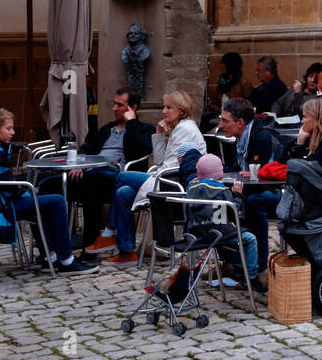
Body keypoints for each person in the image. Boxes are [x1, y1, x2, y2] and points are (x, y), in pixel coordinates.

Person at [0, 109, 93, 274]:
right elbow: (9, 188)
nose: (13, 132)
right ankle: (67, 260)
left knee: (40, 202)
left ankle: (50, 257)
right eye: (8, 128)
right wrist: (27, 193)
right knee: (56, 201)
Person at [86, 92, 205, 265]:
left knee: (122, 176)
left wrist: (150, 175)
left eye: (169, 107)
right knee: (123, 193)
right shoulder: (178, 128)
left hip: (174, 185)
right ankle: (127, 252)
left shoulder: (185, 129)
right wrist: (159, 135)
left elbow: (169, 167)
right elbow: (160, 161)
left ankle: (109, 232)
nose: (164, 111)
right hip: (166, 178)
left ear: (181, 110)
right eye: (164, 107)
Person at [66, 89, 154, 253]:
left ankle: (89, 248)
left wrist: (132, 123)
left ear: (132, 108)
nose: (114, 108)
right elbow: (88, 147)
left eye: (119, 105)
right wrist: (78, 163)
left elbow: (140, 152)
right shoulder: (107, 128)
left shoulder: (144, 129)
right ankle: (52, 252)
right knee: (50, 184)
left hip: (115, 175)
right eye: (114, 103)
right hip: (91, 172)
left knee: (92, 185)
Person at [219, 98, 291, 284]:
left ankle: (259, 267)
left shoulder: (262, 137)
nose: (221, 125)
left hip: (278, 191)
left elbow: (263, 176)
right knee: (222, 199)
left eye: (225, 121)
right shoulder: (240, 138)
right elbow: (239, 168)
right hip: (252, 188)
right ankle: (232, 261)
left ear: (240, 123)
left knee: (253, 201)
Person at [185, 154, 265, 294]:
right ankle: (251, 276)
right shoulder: (221, 190)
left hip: (196, 234)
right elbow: (234, 212)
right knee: (249, 238)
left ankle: (234, 267)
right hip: (219, 235)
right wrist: (238, 194)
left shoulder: (190, 187)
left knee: (230, 230)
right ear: (220, 175)